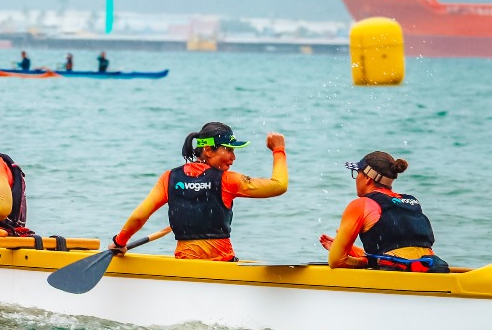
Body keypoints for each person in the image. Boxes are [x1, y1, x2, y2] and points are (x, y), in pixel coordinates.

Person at [110, 121, 287, 261]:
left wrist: (119, 242)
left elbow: (139, 216)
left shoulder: (169, 178)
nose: (234, 157)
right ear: (208, 150)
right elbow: (279, 185)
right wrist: (278, 150)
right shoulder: (227, 180)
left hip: (186, 264)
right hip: (221, 264)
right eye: (229, 150)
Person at [319, 152, 448, 271]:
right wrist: (351, 250)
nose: (356, 178)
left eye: (356, 172)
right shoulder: (412, 202)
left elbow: (336, 261)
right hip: (433, 268)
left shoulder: (361, 205)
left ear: (367, 178)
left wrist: (361, 261)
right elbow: (398, 254)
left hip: (397, 275)